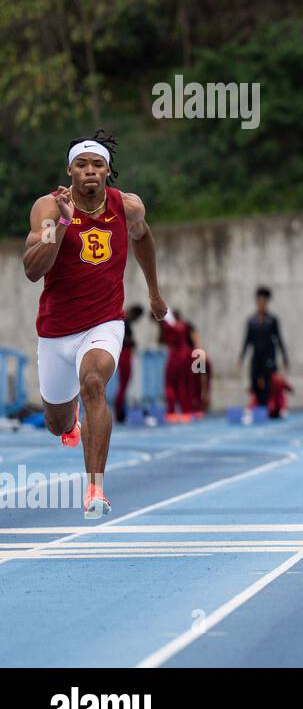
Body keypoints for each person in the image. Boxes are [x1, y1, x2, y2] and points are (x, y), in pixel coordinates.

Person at [21, 131, 168, 517]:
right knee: (55, 424)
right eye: (82, 164)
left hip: (103, 323)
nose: (90, 171)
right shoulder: (50, 210)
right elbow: (33, 269)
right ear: (70, 169)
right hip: (55, 330)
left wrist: (153, 292)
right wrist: (65, 225)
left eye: (97, 165)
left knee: (93, 384)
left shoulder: (128, 206)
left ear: (108, 171)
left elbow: (144, 238)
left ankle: (95, 489)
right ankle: (69, 425)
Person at [241, 287, 289, 416]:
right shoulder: (251, 321)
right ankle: (259, 407)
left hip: (269, 356)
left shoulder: (272, 320)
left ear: (267, 303)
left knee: (269, 382)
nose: (261, 303)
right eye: (259, 301)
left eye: (264, 301)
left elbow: (278, 339)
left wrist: (284, 357)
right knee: (255, 381)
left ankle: (271, 407)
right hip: (256, 356)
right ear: (257, 302)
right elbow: (247, 340)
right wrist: (242, 356)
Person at [113, 304, 145, 423]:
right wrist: (132, 342)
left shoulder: (125, 322)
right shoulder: (124, 322)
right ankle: (119, 412)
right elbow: (121, 338)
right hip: (124, 355)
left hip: (126, 355)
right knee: (123, 385)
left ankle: (121, 411)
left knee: (124, 385)